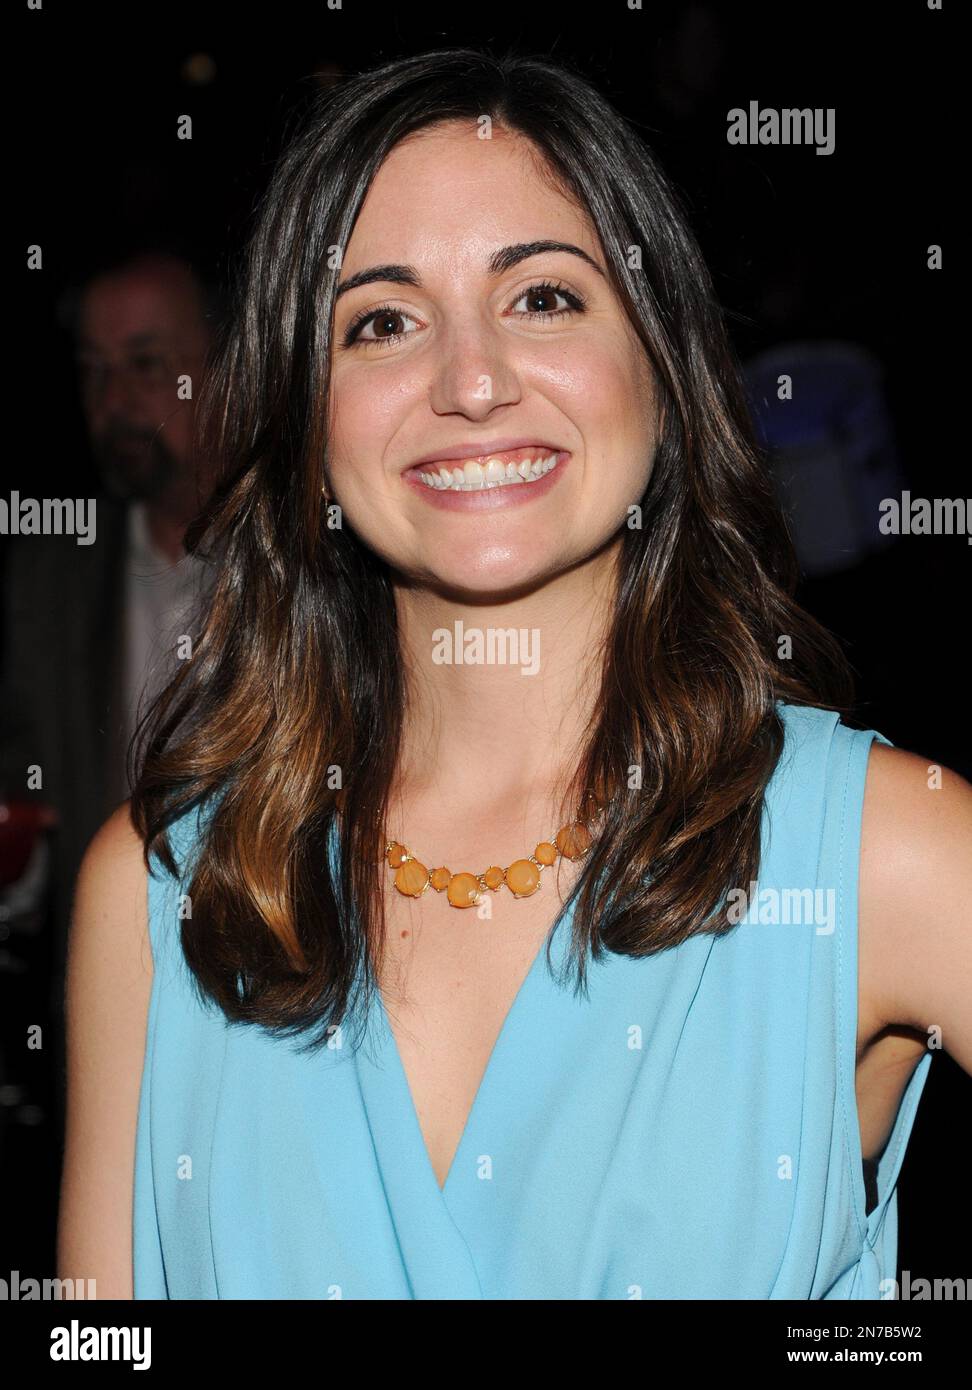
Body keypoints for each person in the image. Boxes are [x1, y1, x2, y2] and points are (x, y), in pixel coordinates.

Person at [57, 49, 971, 1300]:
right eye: (381, 320)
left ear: (661, 362)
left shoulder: (881, 854)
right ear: (303, 418)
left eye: (542, 297)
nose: (471, 381)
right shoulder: (161, 901)